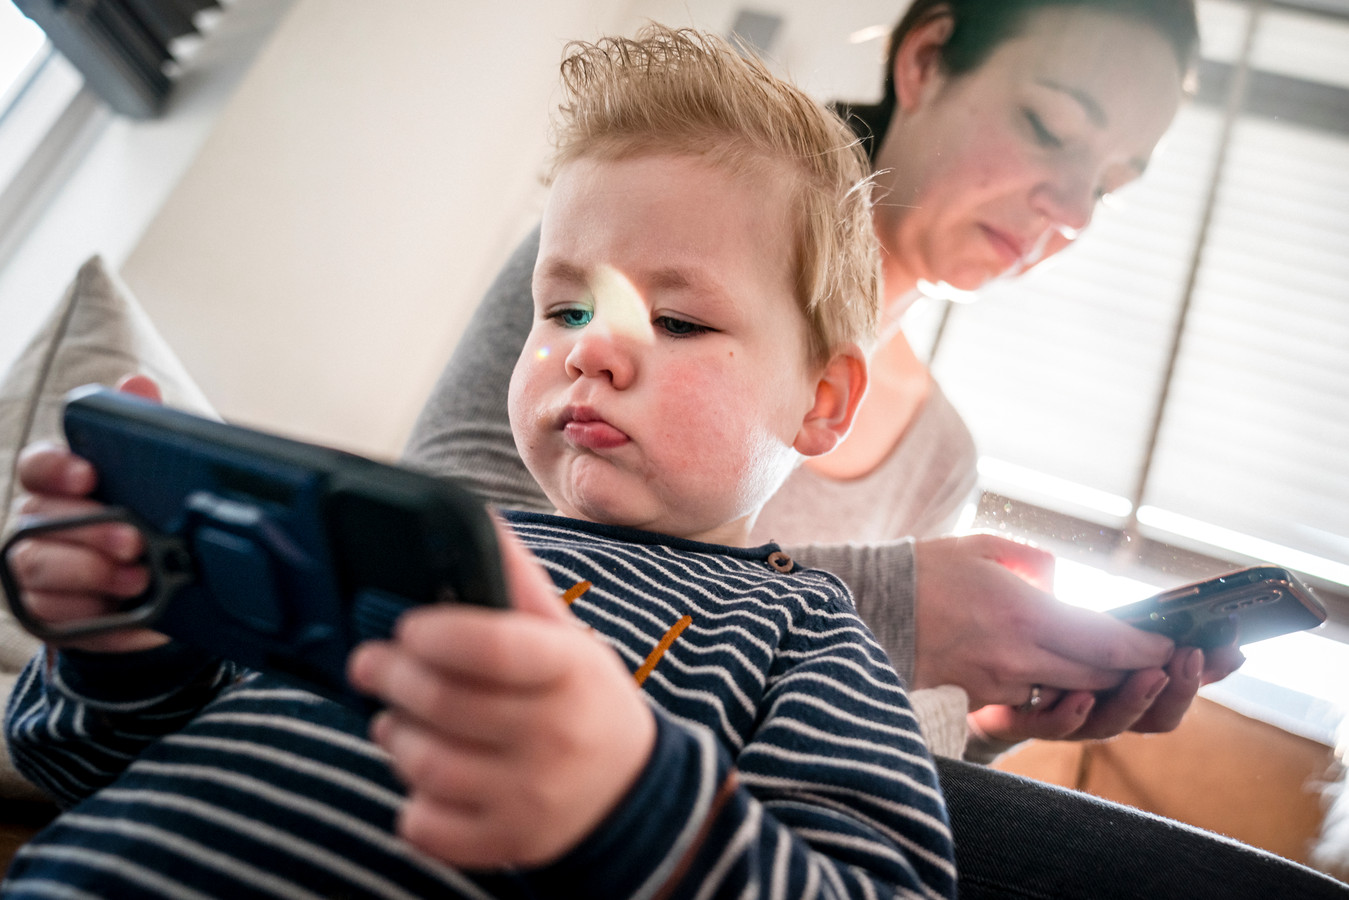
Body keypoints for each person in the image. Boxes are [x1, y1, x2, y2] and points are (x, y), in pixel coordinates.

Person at [400, 1, 1349, 897]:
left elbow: (849, 779)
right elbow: (451, 544)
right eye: (1050, 127)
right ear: (924, 60)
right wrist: (899, 605)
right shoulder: (621, 248)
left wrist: (973, 719)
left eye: (1107, 183)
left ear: (826, 402)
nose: (1072, 208)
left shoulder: (940, 458)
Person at [2, 25, 958, 899]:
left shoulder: (805, 640)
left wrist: (636, 804)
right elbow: (86, 763)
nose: (591, 350)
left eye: (677, 320)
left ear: (821, 403)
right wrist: (123, 650)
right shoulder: (394, 542)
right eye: (564, 309)